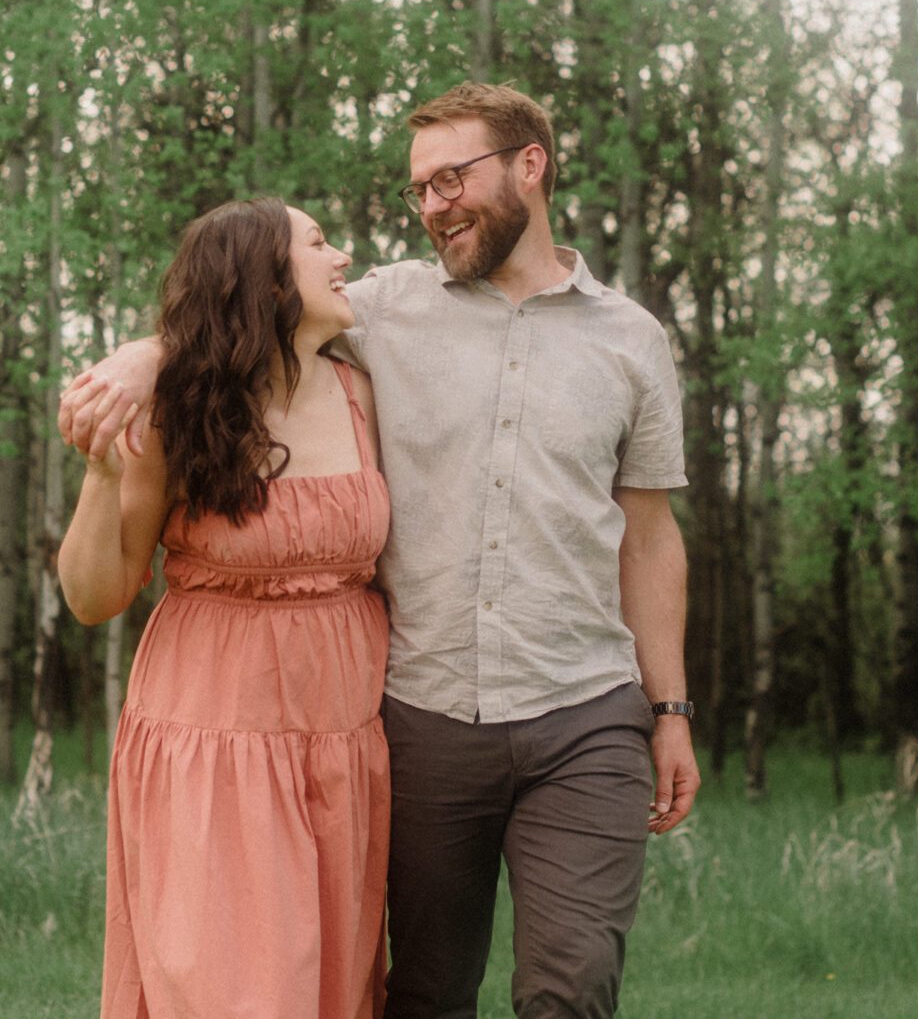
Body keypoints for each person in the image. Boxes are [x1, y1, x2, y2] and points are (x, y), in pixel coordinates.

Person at [65, 83, 699, 1019]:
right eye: (420, 189)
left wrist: (671, 705)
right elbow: (236, 301)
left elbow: (650, 537)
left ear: (532, 165)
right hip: (414, 713)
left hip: (576, 706)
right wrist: (141, 356)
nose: (432, 204)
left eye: (452, 177)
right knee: (423, 991)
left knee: (571, 986)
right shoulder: (386, 309)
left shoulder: (632, 341)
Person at [54, 198, 391, 1019]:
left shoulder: (361, 391)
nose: (343, 254)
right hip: (217, 748)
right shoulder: (181, 409)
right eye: (317, 242)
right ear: (268, 280)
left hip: (344, 748)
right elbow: (94, 595)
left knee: (333, 993)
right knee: (244, 994)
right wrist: (102, 478)